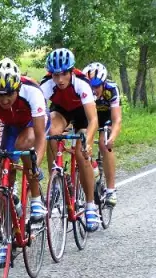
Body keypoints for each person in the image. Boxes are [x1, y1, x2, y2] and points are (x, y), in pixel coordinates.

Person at [0, 58, 49, 267]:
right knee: (4, 175)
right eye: (0, 95)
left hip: (31, 125)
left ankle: (36, 201)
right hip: (9, 125)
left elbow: (40, 136)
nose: (4, 99)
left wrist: (37, 163)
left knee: (25, 146)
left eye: (9, 94)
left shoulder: (32, 92)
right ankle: (8, 240)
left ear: (18, 88)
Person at [40, 48, 100, 232]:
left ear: (71, 71)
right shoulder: (46, 85)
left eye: (64, 74)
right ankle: (55, 175)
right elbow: (39, 116)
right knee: (50, 131)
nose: (59, 79)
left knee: (82, 155)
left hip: (82, 112)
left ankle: (90, 206)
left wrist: (88, 142)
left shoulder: (82, 84)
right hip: (62, 110)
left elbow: (93, 120)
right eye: (55, 75)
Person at [82, 62, 121, 206]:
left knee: (104, 143)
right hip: (90, 116)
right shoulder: (83, 91)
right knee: (83, 144)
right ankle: (93, 167)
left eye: (97, 86)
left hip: (106, 118)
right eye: (91, 87)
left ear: (103, 83)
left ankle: (111, 190)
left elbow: (117, 119)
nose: (94, 90)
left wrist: (113, 137)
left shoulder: (111, 89)